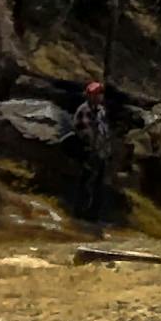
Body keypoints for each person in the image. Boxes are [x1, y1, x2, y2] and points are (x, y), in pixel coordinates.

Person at [66, 79, 126, 225]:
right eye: (95, 94)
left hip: (101, 153)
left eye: (100, 94)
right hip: (89, 153)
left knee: (99, 186)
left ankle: (94, 217)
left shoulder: (101, 111)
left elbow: (104, 131)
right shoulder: (84, 111)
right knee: (87, 184)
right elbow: (85, 133)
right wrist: (93, 148)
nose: (99, 97)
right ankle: (80, 215)